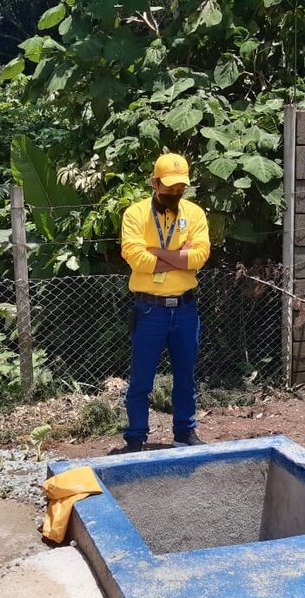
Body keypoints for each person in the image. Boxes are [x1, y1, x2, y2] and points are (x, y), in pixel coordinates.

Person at [119, 153, 211, 452]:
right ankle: (136, 436)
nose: (174, 192)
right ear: (154, 182)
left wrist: (157, 252)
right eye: (168, 186)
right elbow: (134, 256)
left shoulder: (195, 214)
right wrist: (178, 257)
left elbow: (199, 257)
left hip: (185, 309)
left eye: (180, 187)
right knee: (141, 379)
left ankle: (185, 431)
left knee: (185, 377)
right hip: (149, 310)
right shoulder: (135, 214)